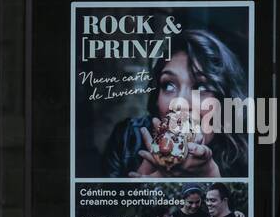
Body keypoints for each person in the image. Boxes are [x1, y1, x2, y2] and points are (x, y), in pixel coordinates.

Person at [101, 28, 249, 180]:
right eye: (169, 86)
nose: (180, 104)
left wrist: (212, 181)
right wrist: (140, 189)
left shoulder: (246, 155)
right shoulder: (128, 137)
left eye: (201, 87)